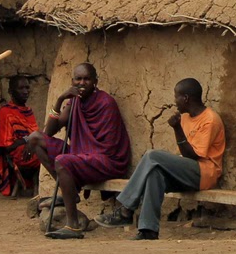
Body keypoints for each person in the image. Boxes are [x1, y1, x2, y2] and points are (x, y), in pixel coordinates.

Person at [97, 78, 226, 239]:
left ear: (185, 98)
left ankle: (126, 209)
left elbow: (192, 155)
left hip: (205, 173)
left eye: (176, 96)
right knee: (155, 174)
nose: (174, 101)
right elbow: (183, 155)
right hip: (188, 170)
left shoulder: (210, 119)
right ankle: (148, 230)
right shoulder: (185, 117)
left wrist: (177, 129)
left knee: (152, 155)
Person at [25, 62, 133, 236]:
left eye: (87, 79)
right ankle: (72, 192)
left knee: (63, 160)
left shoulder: (106, 103)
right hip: (83, 155)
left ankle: (73, 225)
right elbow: (49, 132)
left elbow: (109, 148)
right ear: (72, 81)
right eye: (78, 79)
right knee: (35, 139)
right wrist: (60, 99)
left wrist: (79, 157)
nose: (82, 83)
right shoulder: (74, 102)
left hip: (106, 160)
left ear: (95, 81)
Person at [0, 76, 41, 198]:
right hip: (17, 154)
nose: (25, 91)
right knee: (45, 153)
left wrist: (31, 140)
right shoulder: (4, 112)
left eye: (27, 87)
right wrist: (28, 140)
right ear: (11, 92)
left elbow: (35, 135)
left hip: (31, 148)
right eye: (21, 88)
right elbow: (7, 147)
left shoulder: (29, 111)